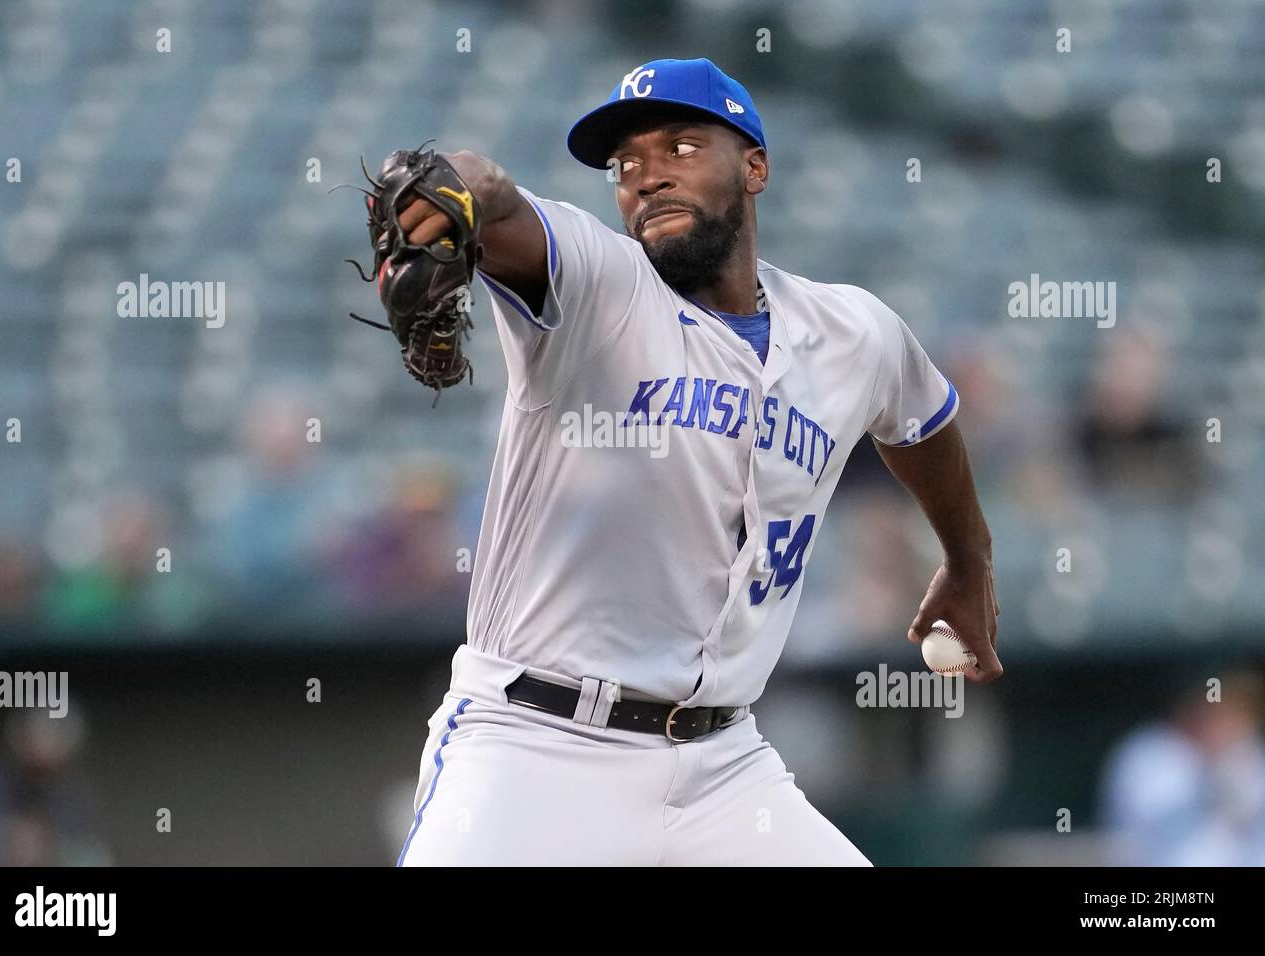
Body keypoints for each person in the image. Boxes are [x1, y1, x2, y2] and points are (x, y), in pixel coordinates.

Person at [395, 57, 1001, 866]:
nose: (646, 177)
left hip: (724, 768)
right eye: (627, 164)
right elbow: (493, 195)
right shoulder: (600, 285)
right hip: (537, 748)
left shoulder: (853, 332)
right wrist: (448, 185)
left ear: (754, 167)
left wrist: (968, 559)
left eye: (680, 147)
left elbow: (922, 422)